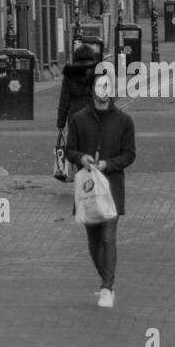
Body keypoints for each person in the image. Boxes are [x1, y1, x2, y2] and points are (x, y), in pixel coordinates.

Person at [65, 77, 136, 308]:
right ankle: (107, 282)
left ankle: (106, 287)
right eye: (99, 86)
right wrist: (80, 158)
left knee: (108, 236)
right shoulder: (78, 120)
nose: (103, 91)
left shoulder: (124, 121)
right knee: (94, 240)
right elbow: (69, 150)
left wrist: (108, 164)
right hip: (88, 189)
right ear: (93, 90)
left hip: (112, 187)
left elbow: (129, 155)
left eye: (107, 87)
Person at [56, 44, 98, 179]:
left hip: (74, 115)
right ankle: (93, 175)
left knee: (77, 148)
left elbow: (64, 100)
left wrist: (60, 122)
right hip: (93, 112)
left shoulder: (69, 73)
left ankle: (82, 175)